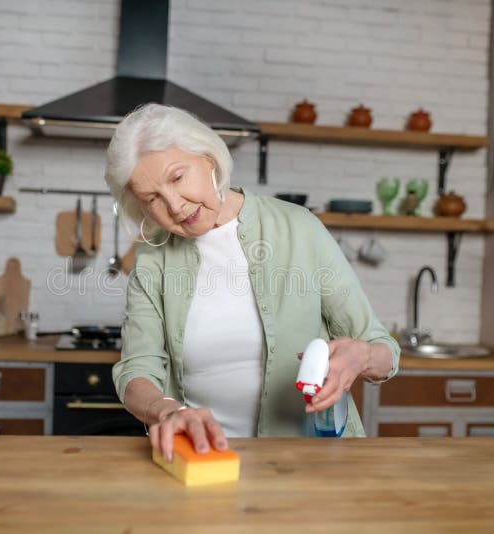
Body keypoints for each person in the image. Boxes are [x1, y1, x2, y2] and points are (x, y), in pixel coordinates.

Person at [104, 103, 400, 462]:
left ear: (208, 158)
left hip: (309, 461)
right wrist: (167, 411)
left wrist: (362, 355)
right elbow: (137, 369)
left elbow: (383, 351)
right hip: (204, 460)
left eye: (178, 178)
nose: (175, 205)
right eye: (153, 199)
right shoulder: (154, 258)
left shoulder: (298, 227)